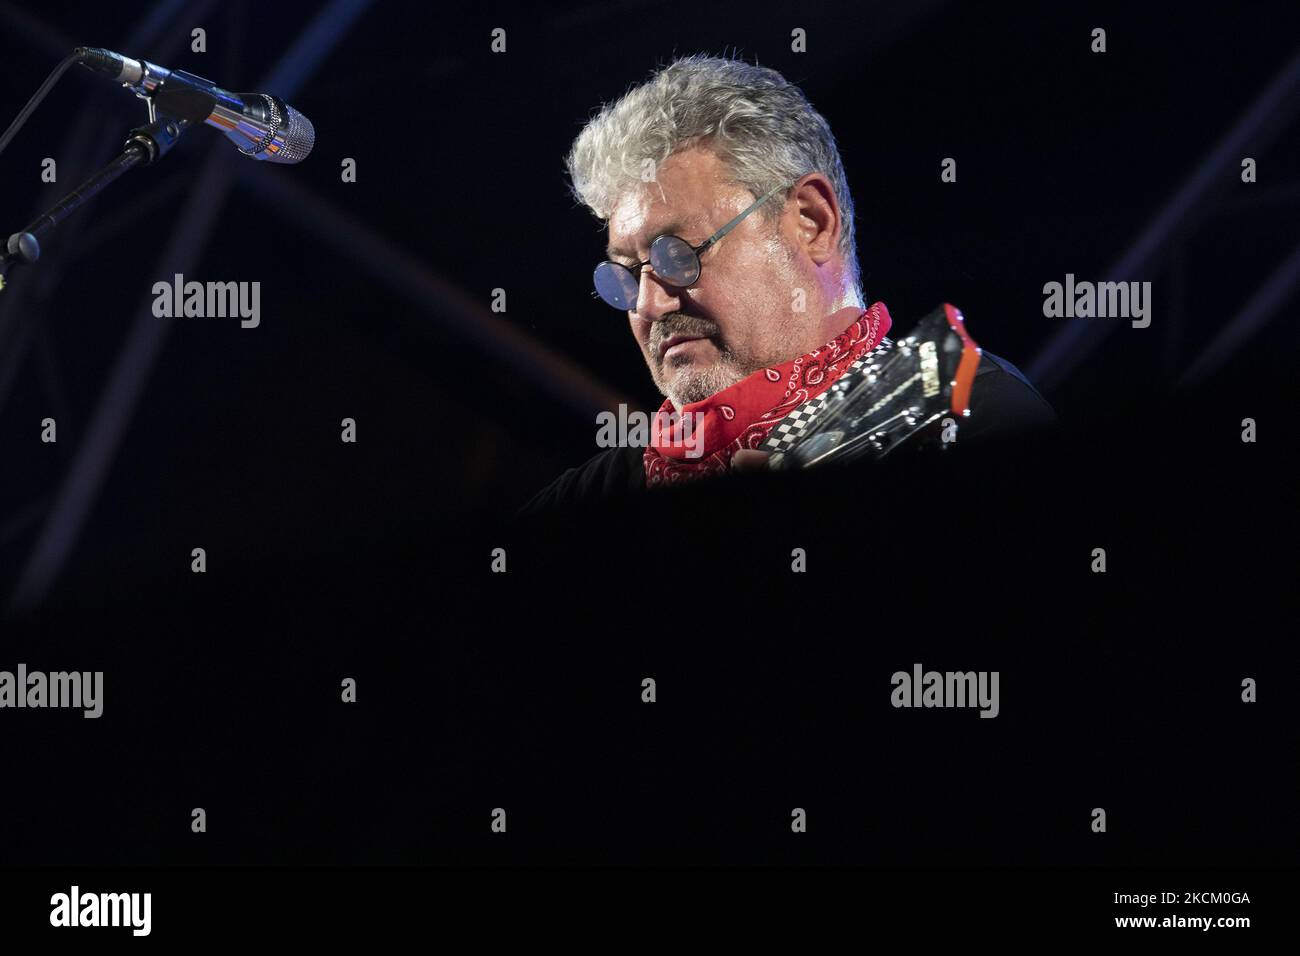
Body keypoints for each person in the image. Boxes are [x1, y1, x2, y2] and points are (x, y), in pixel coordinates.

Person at [524, 54, 1055, 514]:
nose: (649, 303)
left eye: (677, 254)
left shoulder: (969, 418)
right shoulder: (582, 499)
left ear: (811, 221)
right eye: (629, 272)